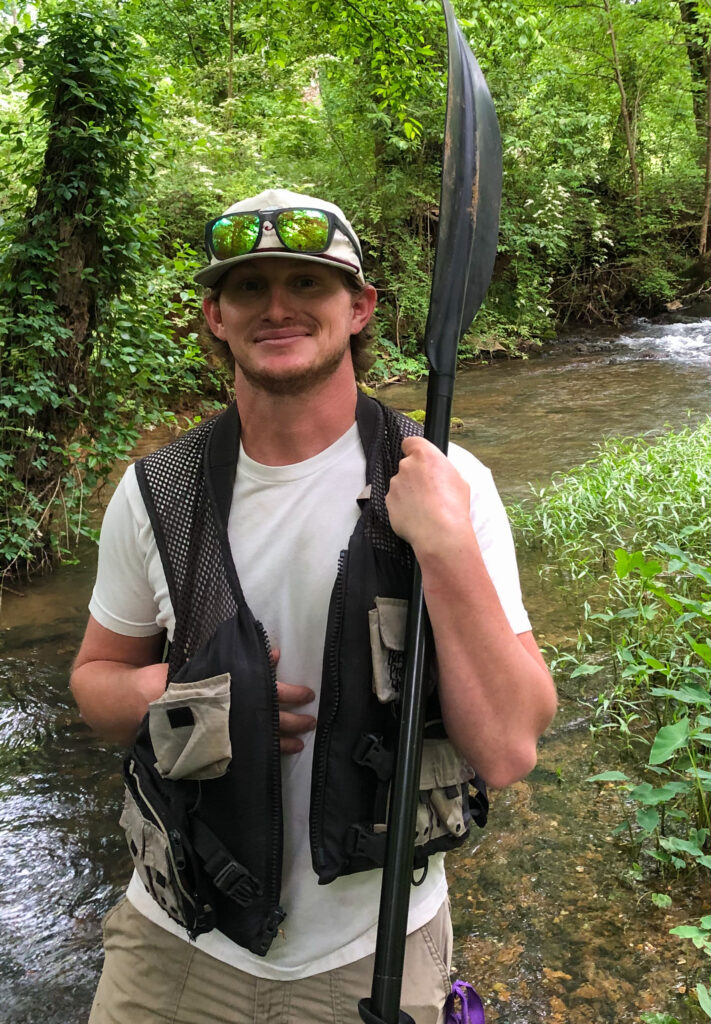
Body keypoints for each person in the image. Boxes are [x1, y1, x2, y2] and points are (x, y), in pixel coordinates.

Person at [70, 188, 557, 1024]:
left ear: (359, 307)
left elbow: (510, 748)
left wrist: (444, 545)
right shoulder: (157, 493)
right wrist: (178, 696)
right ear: (216, 316)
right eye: (248, 288)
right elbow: (95, 682)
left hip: (373, 955)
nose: (277, 307)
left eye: (306, 283)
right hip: (172, 946)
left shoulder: (448, 481)